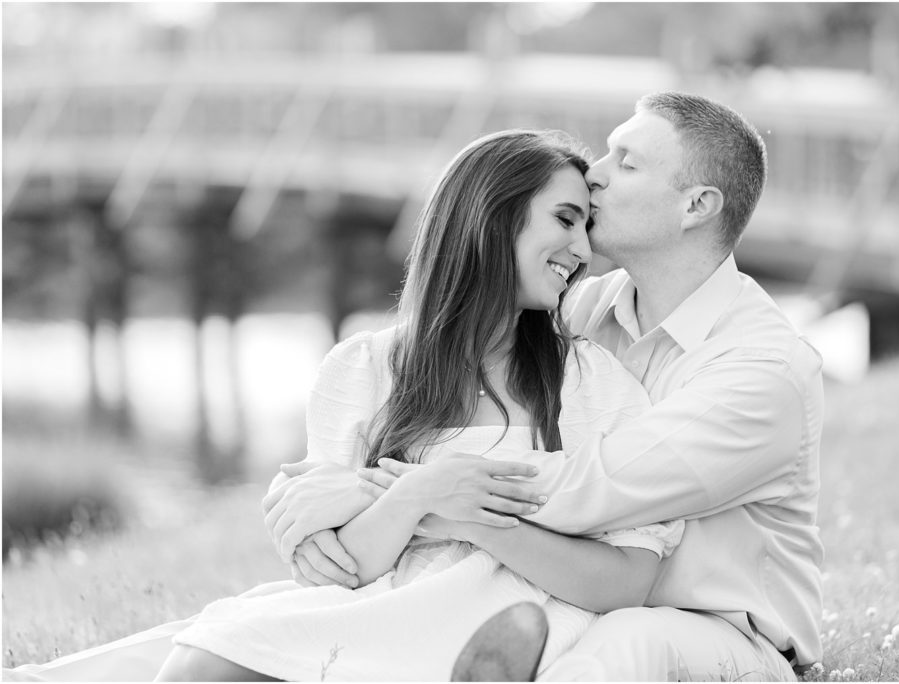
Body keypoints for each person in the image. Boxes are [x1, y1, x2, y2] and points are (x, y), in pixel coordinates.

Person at [5, 128, 687, 682]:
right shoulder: (362, 370)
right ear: (490, 215)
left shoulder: (592, 385)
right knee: (200, 664)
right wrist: (420, 492)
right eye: (565, 220)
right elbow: (344, 566)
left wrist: (472, 522)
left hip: (509, 621)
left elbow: (630, 579)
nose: (582, 250)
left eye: (586, 227)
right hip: (375, 609)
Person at [269, 91, 826, 681]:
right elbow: (440, 375)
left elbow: (593, 484)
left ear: (697, 205)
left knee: (621, 649)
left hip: (720, 627)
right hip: (563, 603)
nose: (596, 174)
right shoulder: (580, 312)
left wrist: (383, 490)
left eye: (627, 162)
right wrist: (307, 502)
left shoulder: (763, 370)